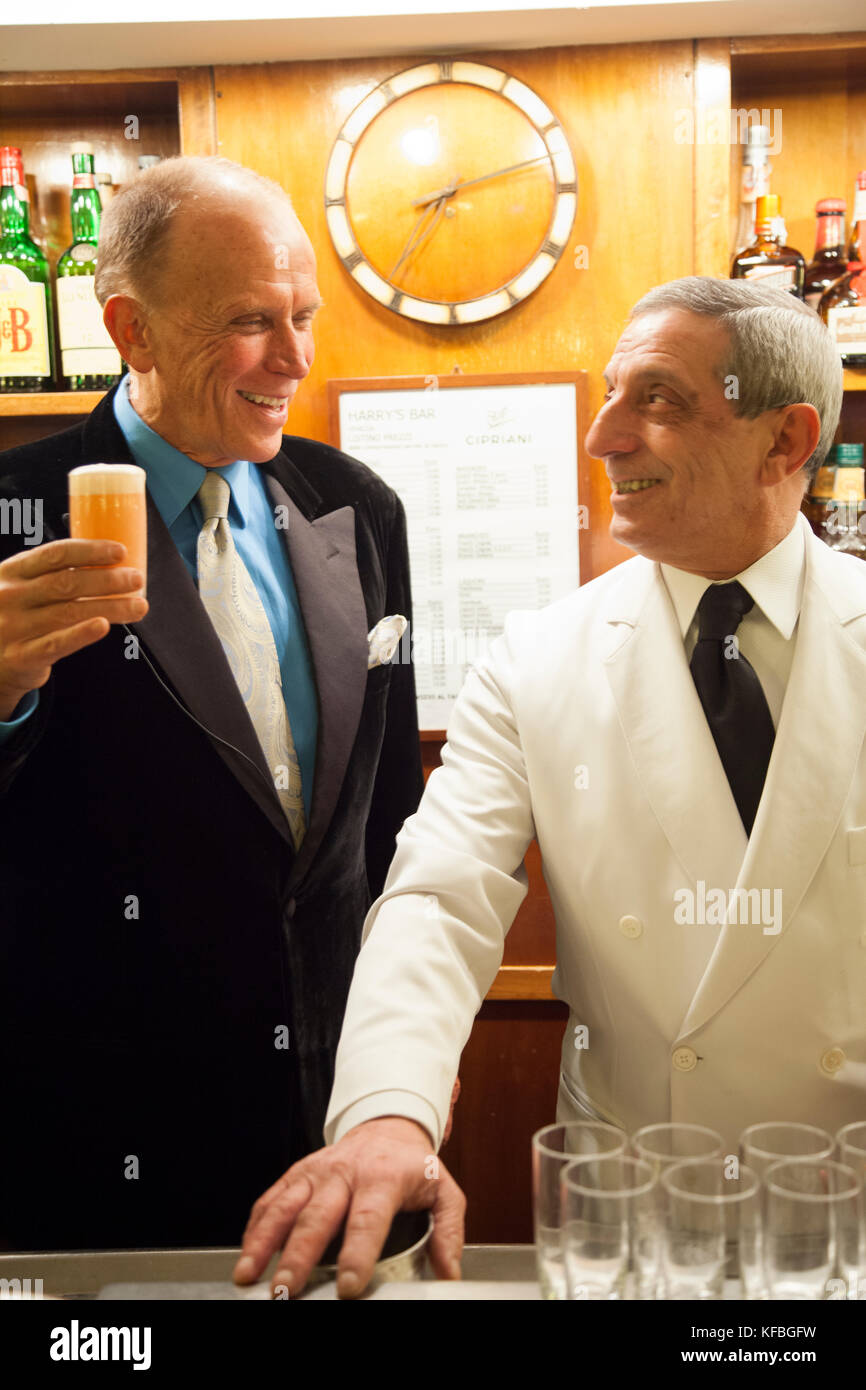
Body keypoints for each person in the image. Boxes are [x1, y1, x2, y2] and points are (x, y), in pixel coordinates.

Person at [233, 275, 866, 1299]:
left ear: (785, 441)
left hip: (849, 1220)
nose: (602, 436)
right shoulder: (537, 658)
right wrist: (389, 1111)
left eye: (655, 400)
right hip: (637, 1214)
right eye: (611, 394)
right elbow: (440, 896)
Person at [0, 156, 426, 1251]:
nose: (293, 358)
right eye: (249, 321)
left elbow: (384, 831)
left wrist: (394, 1081)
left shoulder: (356, 507)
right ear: (130, 331)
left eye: (303, 315)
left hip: (332, 1131)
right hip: (95, 1142)